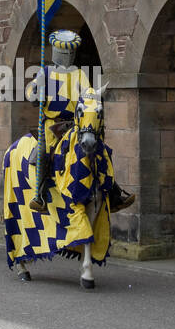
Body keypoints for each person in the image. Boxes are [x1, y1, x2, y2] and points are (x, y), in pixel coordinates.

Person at [28, 29, 135, 213]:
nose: (68, 56)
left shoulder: (79, 74)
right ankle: (41, 195)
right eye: (65, 52)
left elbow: (88, 94)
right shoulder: (45, 72)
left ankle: (114, 192)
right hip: (52, 125)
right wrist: (36, 94)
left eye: (71, 52)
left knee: (101, 151)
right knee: (44, 154)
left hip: (76, 124)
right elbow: (30, 91)